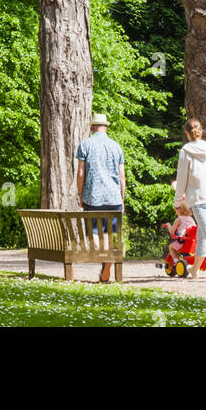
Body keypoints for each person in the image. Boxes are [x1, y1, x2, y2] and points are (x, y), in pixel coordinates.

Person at [174, 118, 206, 281]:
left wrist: (177, 202)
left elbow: (181, 179)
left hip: (198, 199)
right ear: (201, 130)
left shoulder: (186, 151)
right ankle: (195, 270)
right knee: (204, 234)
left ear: (187, 133)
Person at [76, 112, 125, 283]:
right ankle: (106, 271)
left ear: (92, 127)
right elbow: (121, 176)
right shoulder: (116, 146)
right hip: (114, 198)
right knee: (108, 236)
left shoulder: (85, 145)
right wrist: (122, 198)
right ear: (106, 127)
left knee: (94, 235)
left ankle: (108, 260)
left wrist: (80, 194)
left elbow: (81, 173)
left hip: (93, 197)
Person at [163, 200, 195, 265]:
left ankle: (176, 262)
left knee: (171, 247)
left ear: (179, 210)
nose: (175, 211)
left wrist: (169, 225)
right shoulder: (191, 219)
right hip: (192, 243)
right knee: (180, 247)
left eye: (176, 209)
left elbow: (172, 231)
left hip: (183, 243)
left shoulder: (179, 219)